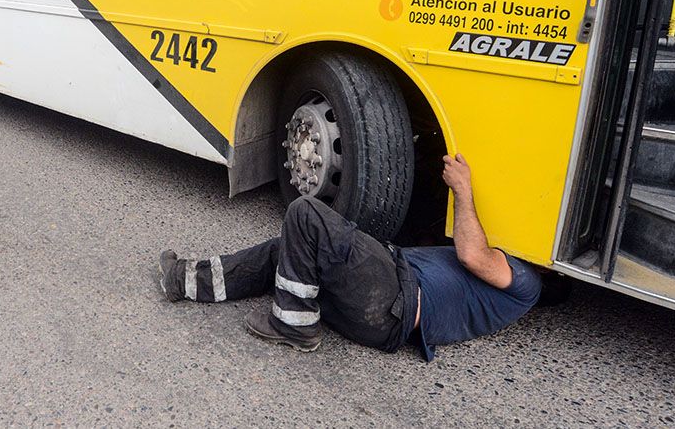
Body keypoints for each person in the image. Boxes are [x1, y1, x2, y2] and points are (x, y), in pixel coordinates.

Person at [158, 154, 541, 359]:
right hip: (383, 307)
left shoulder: (527, 281)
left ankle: (295, 325)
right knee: (288, 251)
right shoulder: (497, 285)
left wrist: (463, 190)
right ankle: (184, 281)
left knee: (306, 214)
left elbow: (473, 254)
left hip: (395, 302)